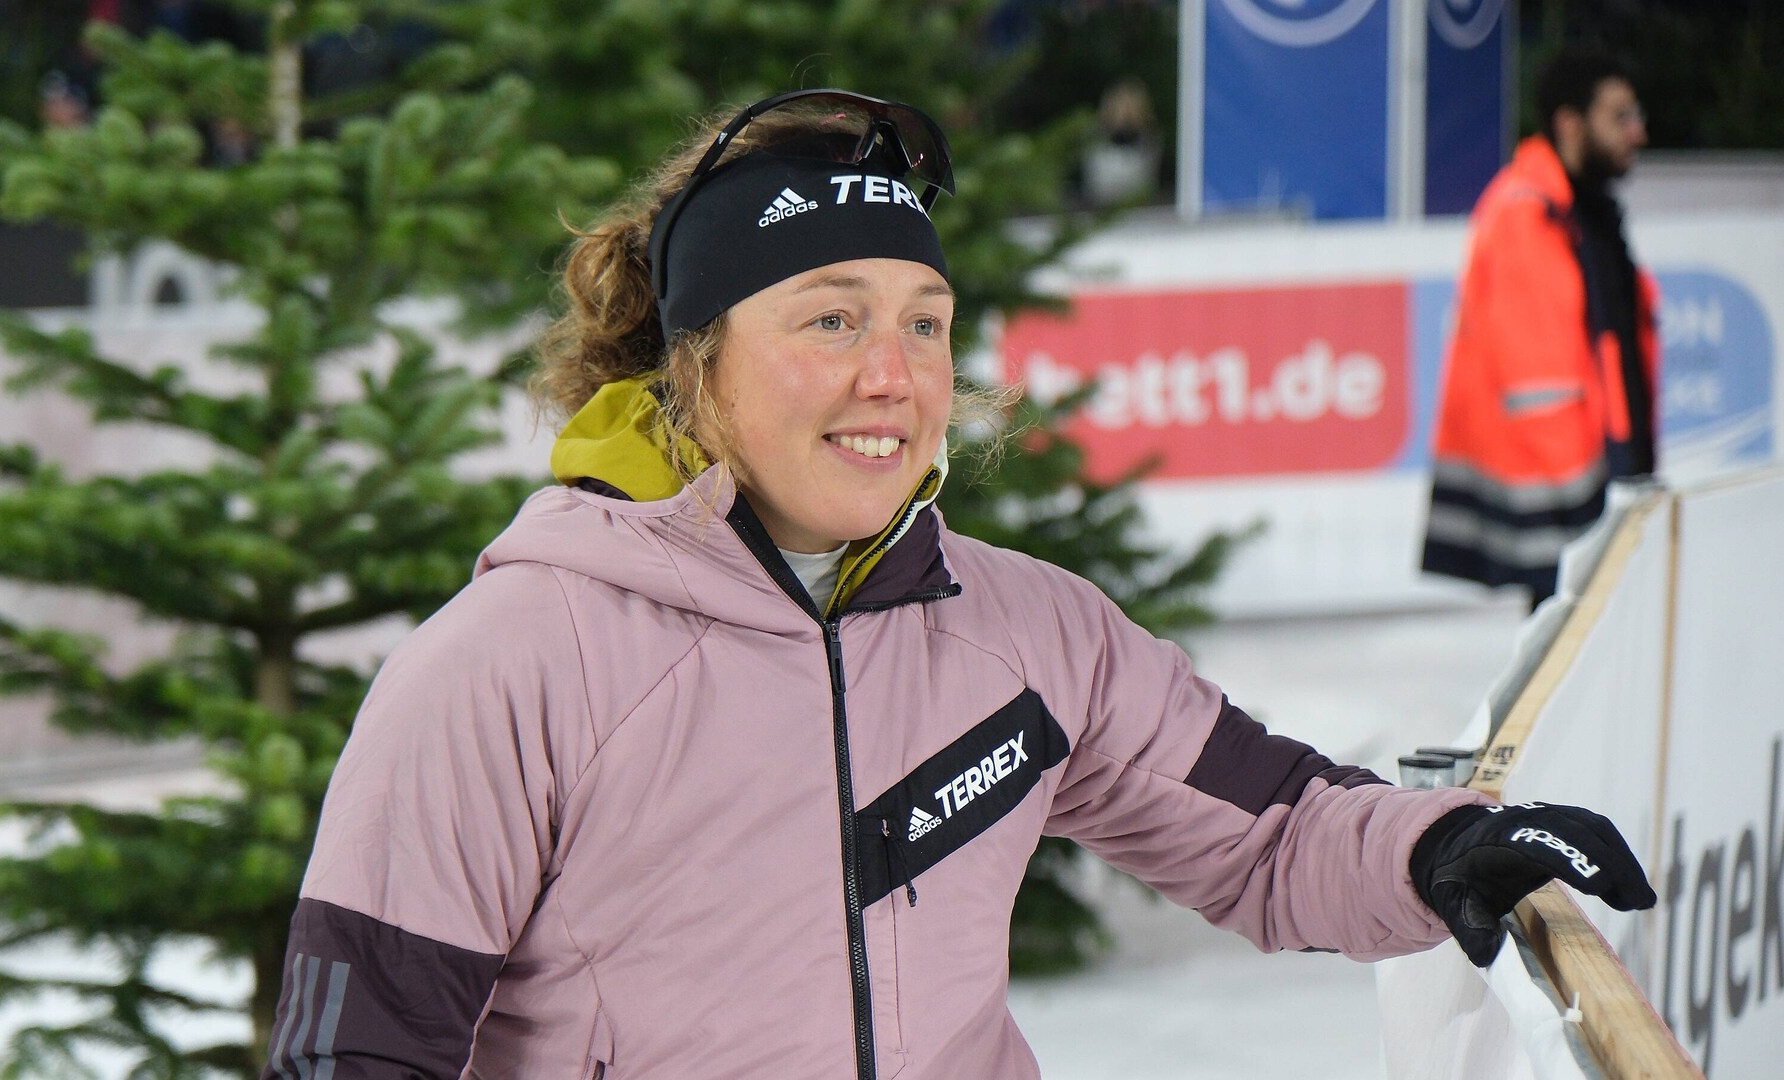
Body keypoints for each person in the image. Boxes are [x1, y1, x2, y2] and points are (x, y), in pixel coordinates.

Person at [261, 90, 1654, 1079]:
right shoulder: (511, 665)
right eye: (832, 320)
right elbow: (356, 1054)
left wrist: (1436, 847)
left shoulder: (1024, 632)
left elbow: (1273, 829)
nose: (896, 374)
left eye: (925, 323)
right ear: (692, 365)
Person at [1422, 48, 1658, 609]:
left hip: (1595, 492)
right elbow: (1540, 388)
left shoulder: (1582, 212)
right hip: (1568, 502)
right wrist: (1589, 510)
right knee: (1569, 656)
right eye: (1619, 116)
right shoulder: (1530, 215)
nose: (1637, 132)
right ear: (1570, 123)